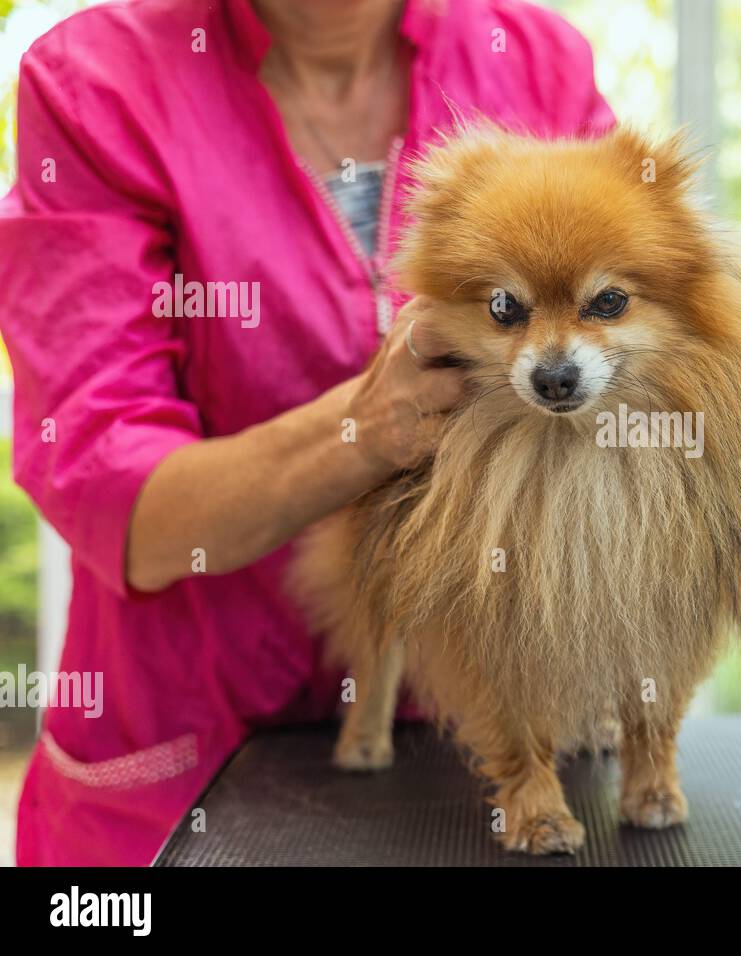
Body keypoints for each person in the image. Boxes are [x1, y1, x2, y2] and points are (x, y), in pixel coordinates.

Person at [0, 0, 615, 865]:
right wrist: (367, 428)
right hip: (187, 780)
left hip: (465, 767)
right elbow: (124, 502)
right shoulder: (95, 84)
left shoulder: (534, 61)